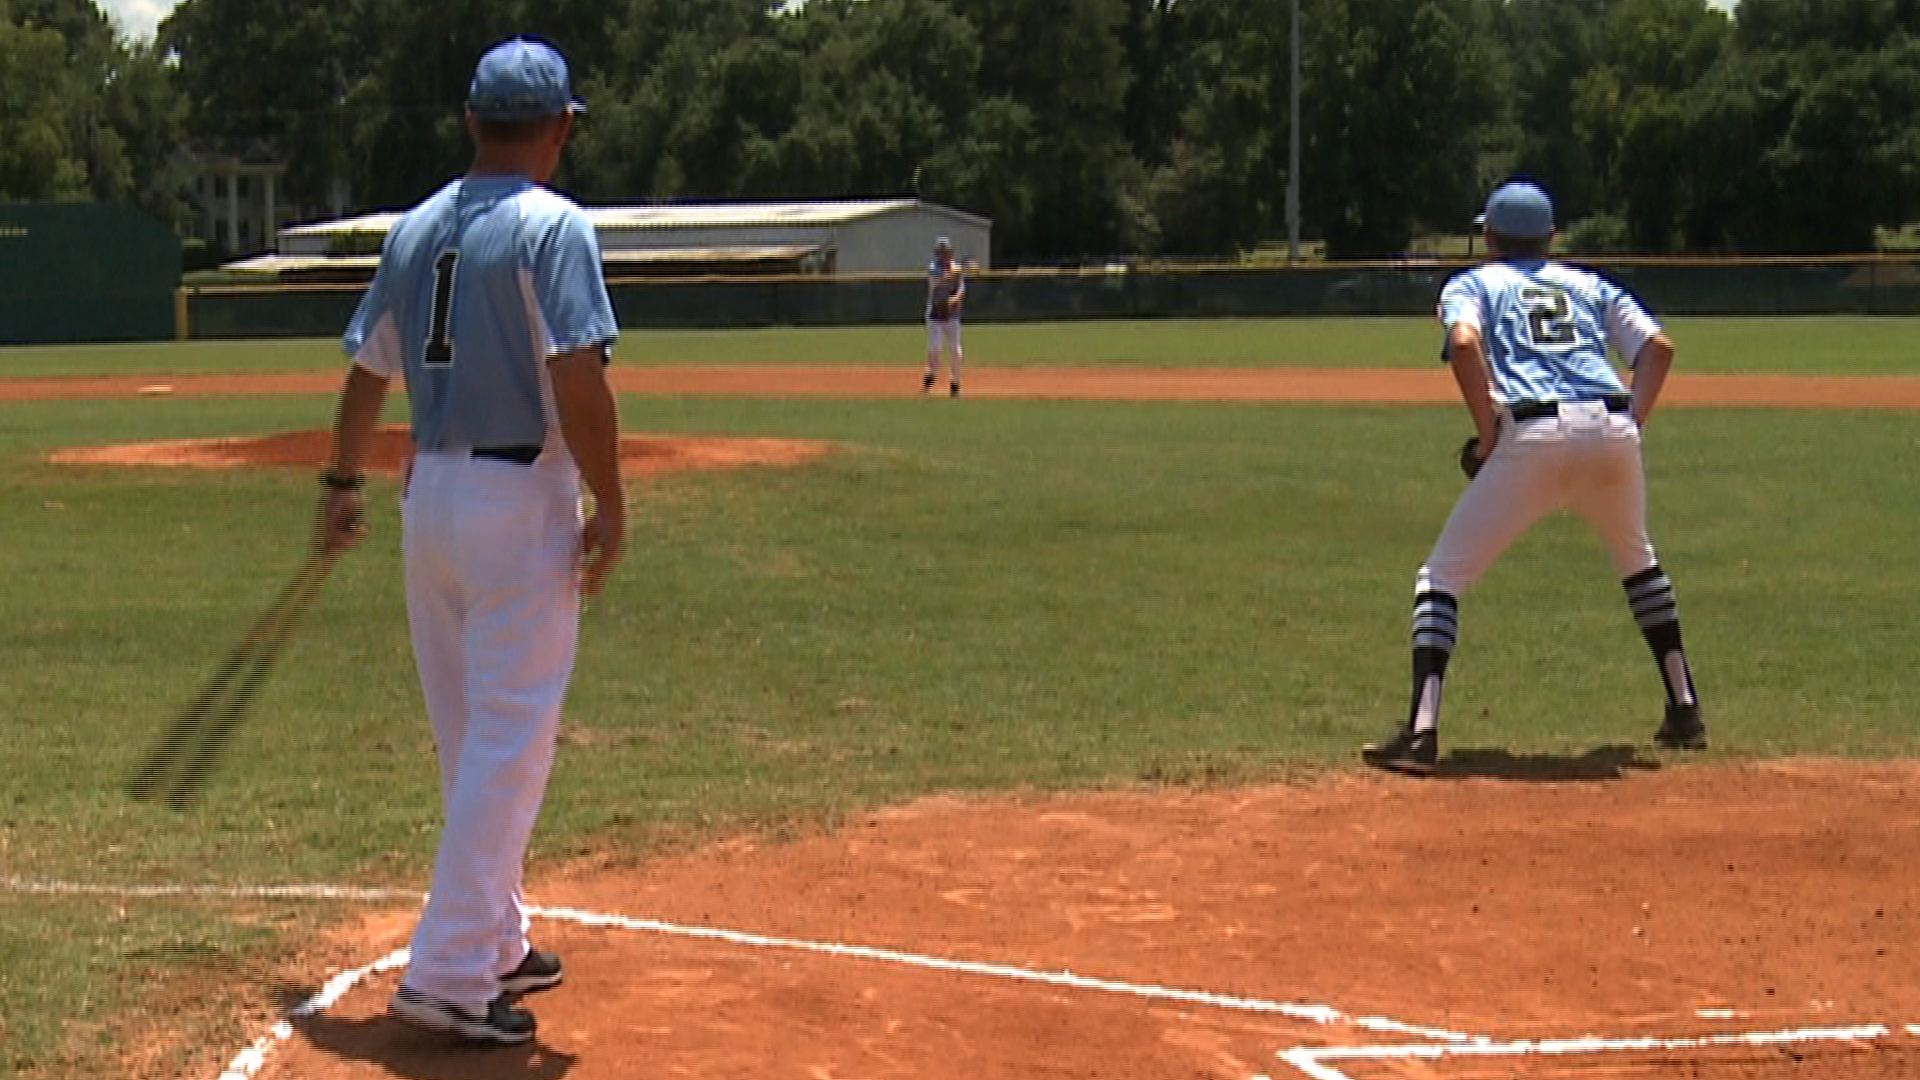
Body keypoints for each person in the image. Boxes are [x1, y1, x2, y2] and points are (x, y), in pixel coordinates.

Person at [316, 36, 625, 1043]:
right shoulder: (554, 227)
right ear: (560, 128)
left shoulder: (413, 229)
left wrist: (339, 481)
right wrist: (611, 500)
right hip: (517, 496)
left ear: (469, 123)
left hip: (430, 497)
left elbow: (368, 370)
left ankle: (492, 941)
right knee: (512, 735)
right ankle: (450, 972)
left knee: (471, 733)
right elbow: (578, 376)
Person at [1361, 179, 1705, 776]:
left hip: (1534, 434)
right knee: (1638, 561)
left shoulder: (1474, 282)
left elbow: (1464, 342)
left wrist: (1488, 435)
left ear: (1490, 237)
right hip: (1613, 427)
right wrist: (1631, 427)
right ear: (1550, 239)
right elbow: (1660, 349)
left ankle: (1420, 734)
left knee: (1440, 579)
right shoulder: (1590, 284)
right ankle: (1685, 708)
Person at [921, 236, 966, 397]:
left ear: (951, 252)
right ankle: (931, 372)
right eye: (940, 252)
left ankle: (955, 384)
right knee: (936, 348)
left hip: (952, 315)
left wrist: (954, 299)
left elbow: (961, 290)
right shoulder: (933, 267)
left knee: (955, 351)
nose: (943, 255)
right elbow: (940, 279)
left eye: (946, 252)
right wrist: (955, 273)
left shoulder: (956, 268)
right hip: (935, 315)